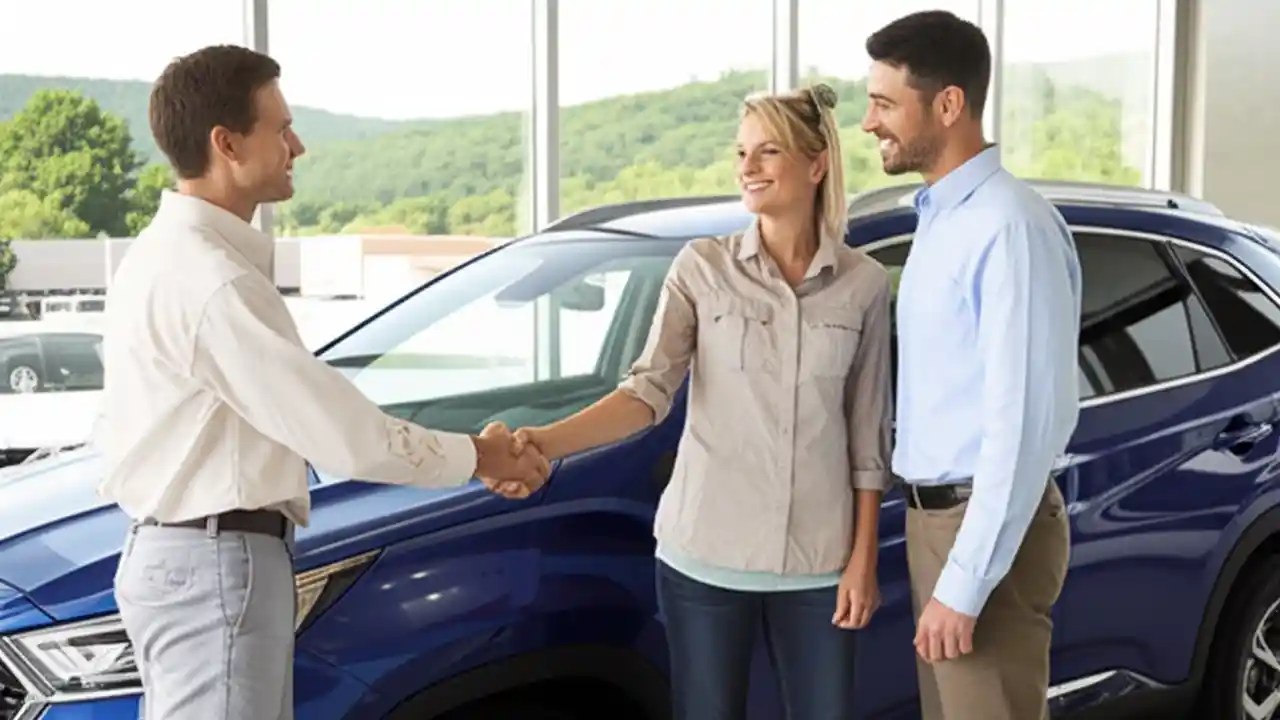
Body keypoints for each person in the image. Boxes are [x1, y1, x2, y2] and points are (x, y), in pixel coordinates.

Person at [94, 45, 548, 720]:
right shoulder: (209, 280)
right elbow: (340, 432)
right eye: (280, 128)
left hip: (193, 556)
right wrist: (479, 456)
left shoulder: (167, 257)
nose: (297, 145)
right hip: (214, 563)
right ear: (226, 143)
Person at [509, 84, 893, 720]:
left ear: (817, 163)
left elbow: (867, 434)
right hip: (705, 559)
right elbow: (646, 393)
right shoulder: (702, 267)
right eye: (742, 151)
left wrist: (862, 559)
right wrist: (541, 443)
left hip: (819, 563)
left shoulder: (863, 284)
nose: (747, 167)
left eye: (768, 151)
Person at [860, 10, 1082, 720]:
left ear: (949, 104)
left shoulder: (1006, 225)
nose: (869, 122)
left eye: (886, 103)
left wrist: (966, 580)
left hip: (980, 527)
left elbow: (1020, 425)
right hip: (941, 523)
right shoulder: (943, 218)